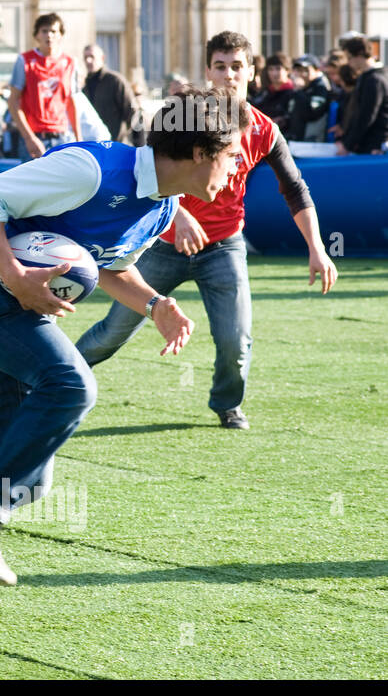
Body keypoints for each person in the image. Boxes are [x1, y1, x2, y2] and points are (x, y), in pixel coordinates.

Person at [0, 86, 246, 597]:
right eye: (232, 155)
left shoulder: (163, 211)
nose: (237, 168)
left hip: (17, 308)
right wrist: (12, 273)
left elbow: (105, 267)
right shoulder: (92, 168)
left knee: (30, 478)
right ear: (199, 152)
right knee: (73, 386)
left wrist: (153, 304)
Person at [76, 31, 338, 431]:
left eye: (237, 66)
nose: (229, 75)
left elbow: (295, 189)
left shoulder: (265, 129)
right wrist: (177, 212)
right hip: (164, 243)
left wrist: (317, 247)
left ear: (252, 72)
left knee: (236, 340)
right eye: (220, 66)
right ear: (208, 70)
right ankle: (56, 379)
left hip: (224, 247)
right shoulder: (183, 116)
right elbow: (145, 170)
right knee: (114, 331)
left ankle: (227, 404)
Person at [7, 13, 81, 159]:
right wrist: (28, 138)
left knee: (62, 182)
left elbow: (71, 103)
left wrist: (79, 139)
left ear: (60, 35)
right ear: (37, 35)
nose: (49, 36)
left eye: (54, 31)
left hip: (62, 136)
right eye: (44, 31)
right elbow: (13, 101)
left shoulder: (69, 63)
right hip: (34, 136)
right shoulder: (25, 61)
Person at [336, 35, 388, 155]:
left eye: (349, 58)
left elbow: (366, 116)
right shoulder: (367, 77)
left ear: (360, 54)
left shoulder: (375, 79)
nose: (348, 63)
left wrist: (347, 145)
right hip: (367, 142)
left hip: (374, 144)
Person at [82, 44, 139, 144]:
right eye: (86, 57)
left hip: (115, 144)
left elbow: (133, 113)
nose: (88, 61)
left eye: (92, 57)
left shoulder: (115, 81)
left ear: (102, 58)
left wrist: (138, 145)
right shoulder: (83, 86)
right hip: (93, 147)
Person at [251, 52, 297, 136]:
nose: (274, 73)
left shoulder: (294, 93)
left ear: (287, 70)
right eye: (271, 69)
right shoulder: (265, 93)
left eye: (278, 69)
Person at [289, 54, 332, 143]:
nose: (302, 74)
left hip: (312, 140)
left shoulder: (320, 87)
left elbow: (313, 113)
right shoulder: (305, 86)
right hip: (299, 138)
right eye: (299, 70)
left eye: (306, 70)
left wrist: (299, 91)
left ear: (317, 70)